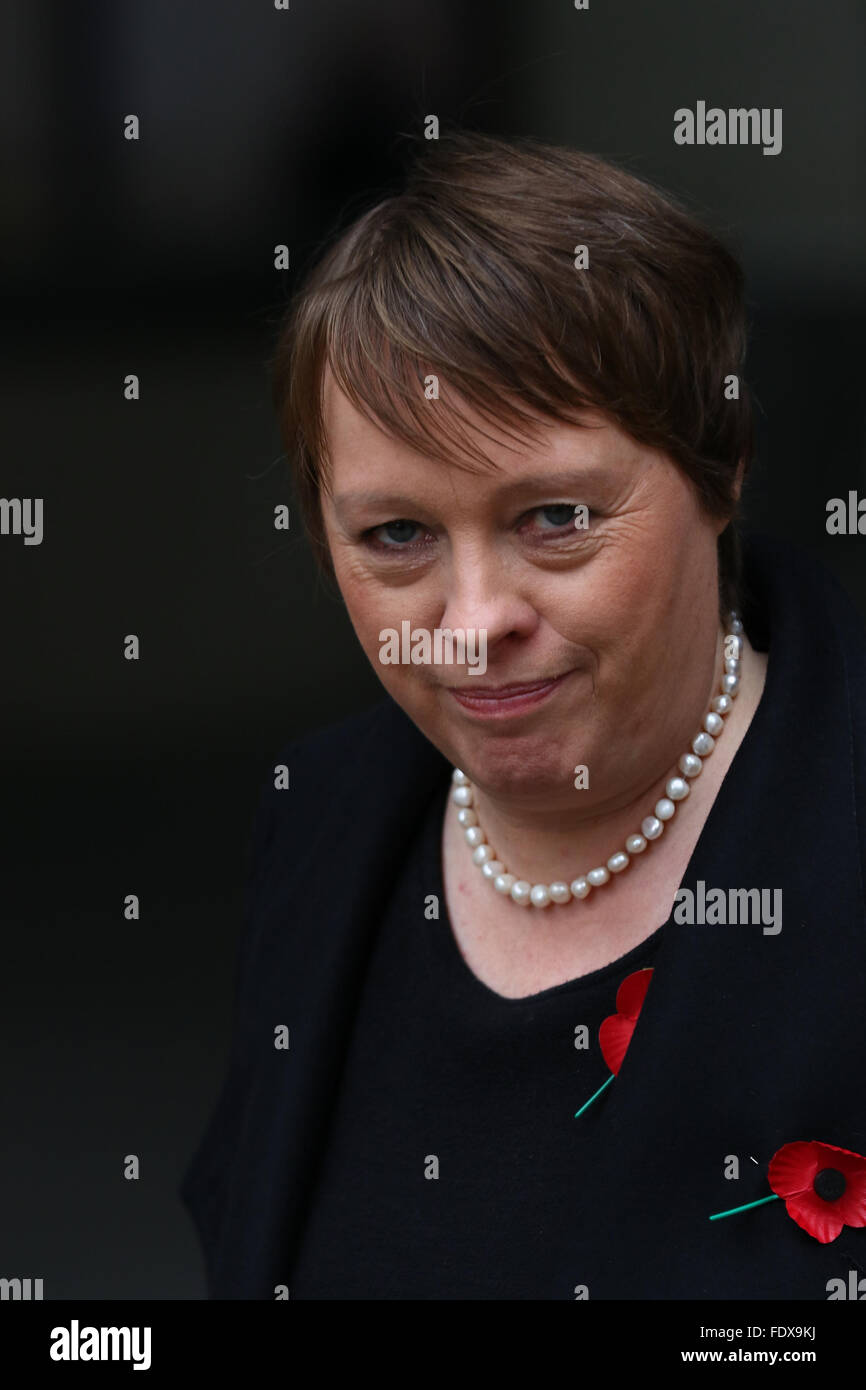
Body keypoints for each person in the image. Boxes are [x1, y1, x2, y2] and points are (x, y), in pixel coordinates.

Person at [180, 130, 866, 1299]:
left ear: (724, 466)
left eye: (553, 516)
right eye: (395, 535)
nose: (473, 618)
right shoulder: (323, 821)